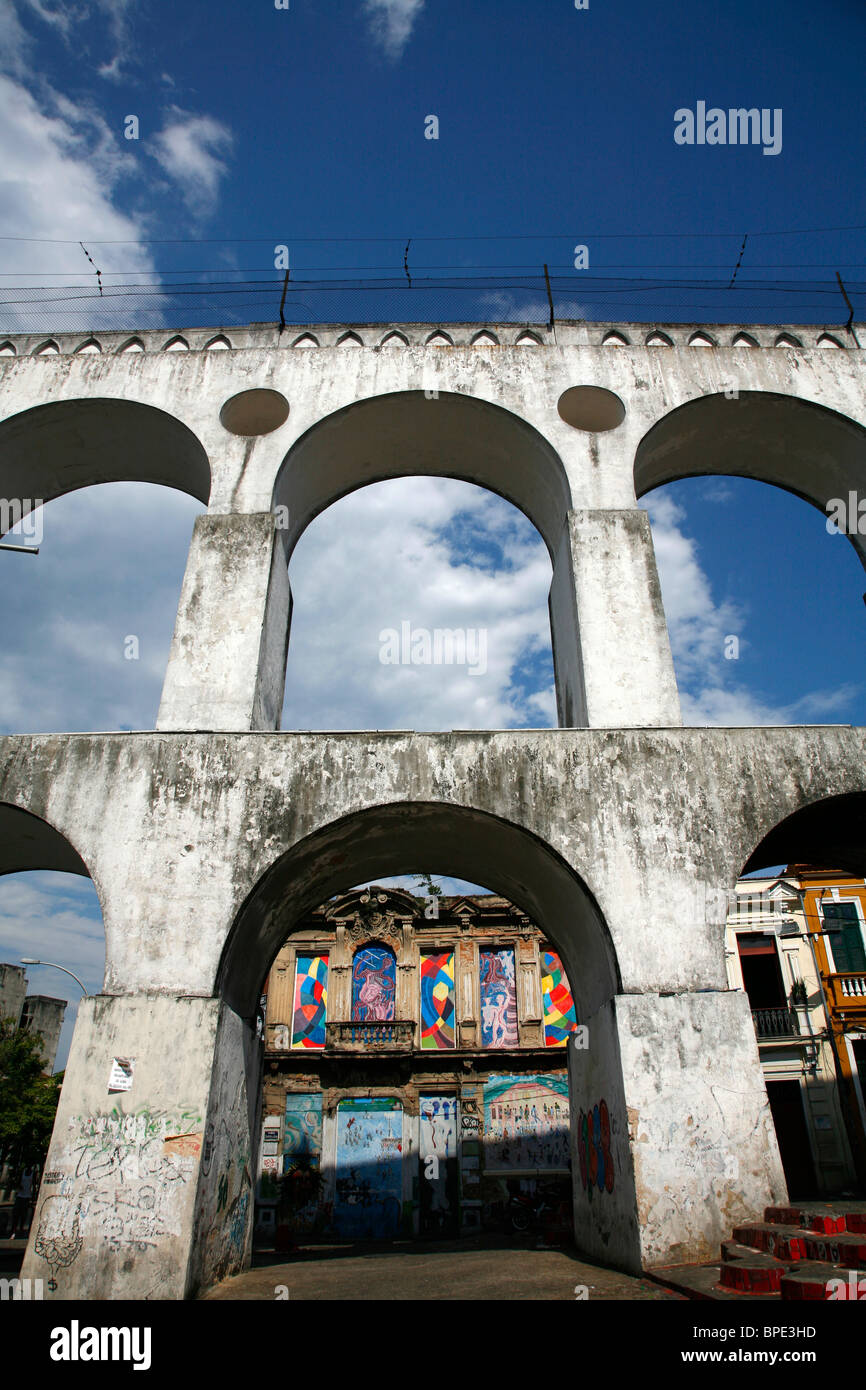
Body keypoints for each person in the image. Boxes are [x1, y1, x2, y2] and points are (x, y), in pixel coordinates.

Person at [11, 1167, 34, 1239]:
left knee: (23, 1215)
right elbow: (17, 1181)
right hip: (20, 1196)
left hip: (27, 1196)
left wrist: (32, 1196)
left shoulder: (33, 1173)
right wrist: (18, 1186)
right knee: (16, 1215)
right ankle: (13, 1232)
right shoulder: (23, 1172)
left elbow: (33, 1184)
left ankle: (21, 1230)